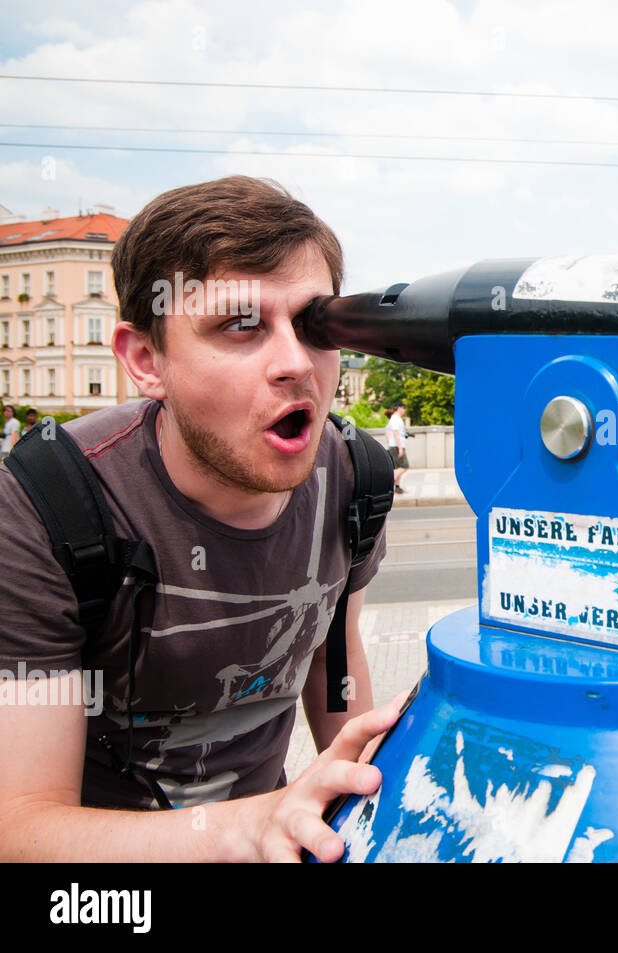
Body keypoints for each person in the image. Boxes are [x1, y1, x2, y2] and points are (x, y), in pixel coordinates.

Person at [0, 176, 405, 862]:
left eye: (315, 326)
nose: (295, 364)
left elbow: (333, 657)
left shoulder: (357, 479)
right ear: (145, 360)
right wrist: (245, 826)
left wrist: (360, 794)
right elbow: (20, 828)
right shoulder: (47, 505)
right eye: (239, 325)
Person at [385, 402, 410, 494]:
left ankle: (397, 487)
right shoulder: (395, 419)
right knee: (405, 466)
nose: (404, 410)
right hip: (396, 446)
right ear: (399, 408)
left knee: (397, 467)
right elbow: (395, 433)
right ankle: (391, 480)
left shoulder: (394, 418)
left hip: (394, 446)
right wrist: (400, 448)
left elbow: (388, 431)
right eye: (403, 408)